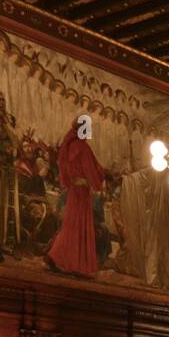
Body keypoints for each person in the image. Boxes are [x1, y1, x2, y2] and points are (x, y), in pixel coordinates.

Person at [45, 118, 105, 276]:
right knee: (78, 226)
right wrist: (99, 179)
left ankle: (60, 258)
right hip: (81, 192)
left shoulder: (69, 145)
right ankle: (67, 261)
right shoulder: (83, 148)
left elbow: (67, 170)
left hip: (74, 190)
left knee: (72, 225)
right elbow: (92, 170)